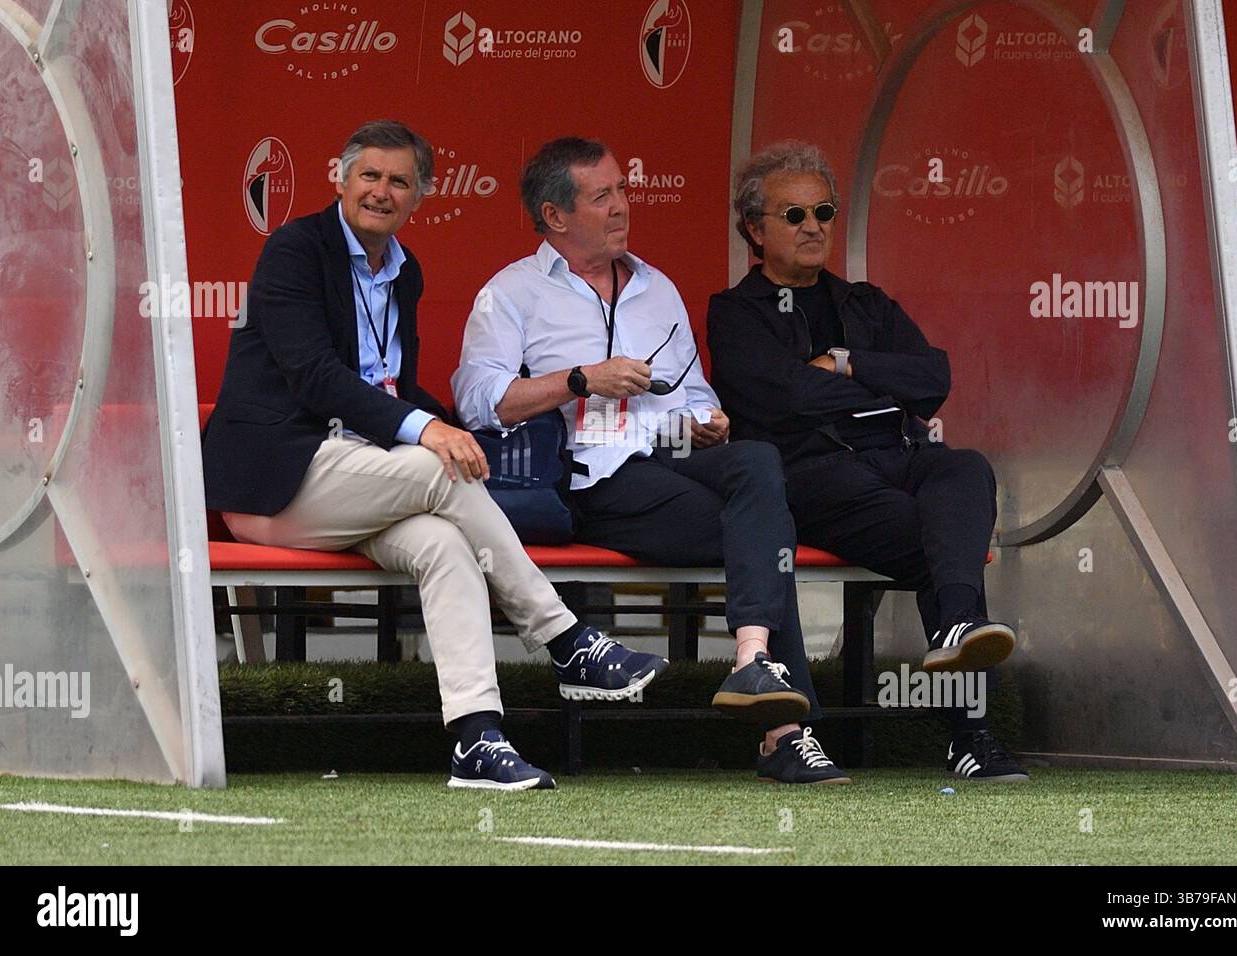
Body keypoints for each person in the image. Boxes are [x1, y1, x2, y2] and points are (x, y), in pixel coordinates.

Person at [201, 120, 667, 791]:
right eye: (370, 176)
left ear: (420, 194)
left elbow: (390, 383)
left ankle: (476, 740)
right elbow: (318, 378)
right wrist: (430, 432)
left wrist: (442, 425)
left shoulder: (405, 270)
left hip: (368, 481)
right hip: (277, 483)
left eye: (399, 181)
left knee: (445, 546)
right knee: (438, 466)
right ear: (341, 178)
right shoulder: (295, 250)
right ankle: (566, 641)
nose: (381, 192)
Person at [453, 137, 850, 785]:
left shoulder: (655, 286)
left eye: (622, 190)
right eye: (602, 195)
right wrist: (580, 379)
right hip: (593, 478)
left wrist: (708, 420)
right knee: (760, 533)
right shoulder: (512, 294)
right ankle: (784, 732)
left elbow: (694, 392)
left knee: (754, 461)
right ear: (556, 216)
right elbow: (477, 402)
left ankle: (753, 659)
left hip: (673, 452)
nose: (621, 207)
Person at [706, 140, 1029, 782]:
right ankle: (971, 734)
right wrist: (877, 384)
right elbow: (780, 395)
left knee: (966, 469)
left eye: (822, 212)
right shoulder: (735, 312)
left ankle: (958, 625)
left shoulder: (865, 303)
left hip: (901, 456)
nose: (813, 227)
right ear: (754, 228)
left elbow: (933, 376)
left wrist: (847, 362)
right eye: (793, 215)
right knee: (948, 545)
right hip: (815, 477)